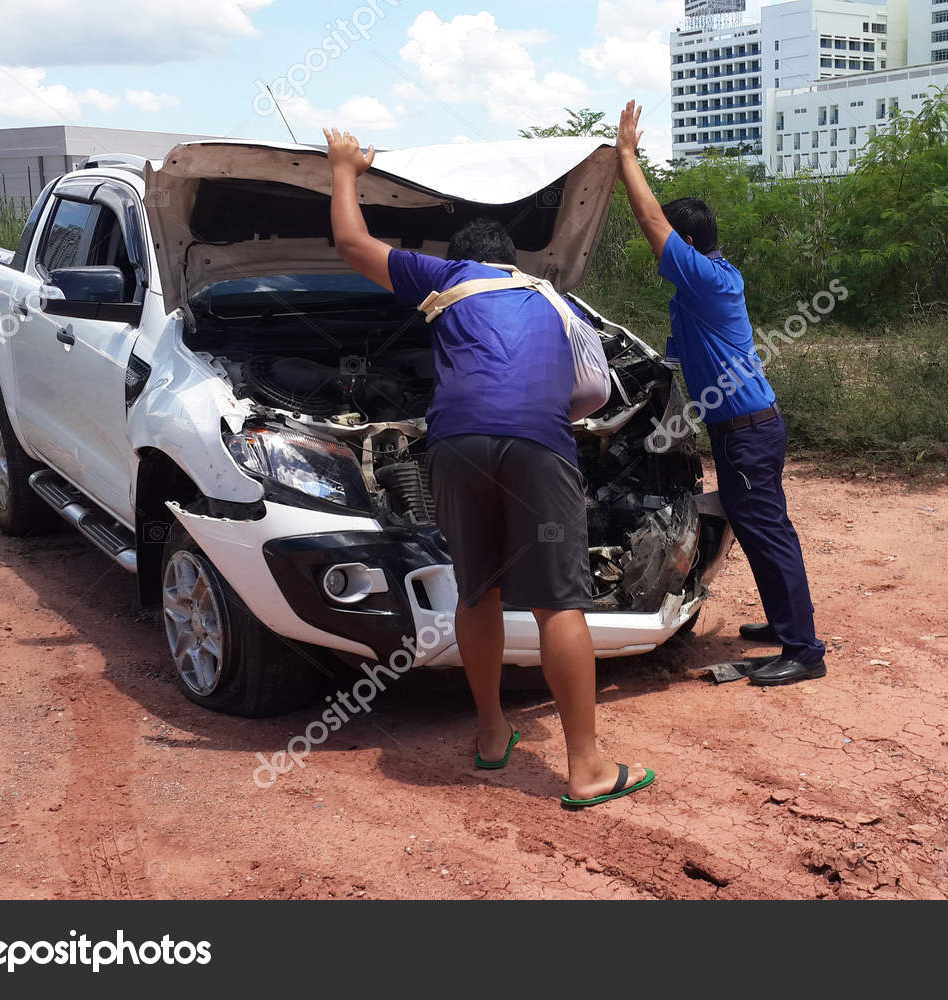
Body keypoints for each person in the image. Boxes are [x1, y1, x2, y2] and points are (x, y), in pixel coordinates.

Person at [322, 127, 653, 808]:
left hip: (455, 441)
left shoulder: (443, 278)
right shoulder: (553, 300)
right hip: (538, 440)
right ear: (512, 262)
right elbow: (592, 394)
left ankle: (493, 733)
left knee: (479, 592)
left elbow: (353, 246)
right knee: (559, 602)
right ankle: (586, 768)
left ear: (458, 260)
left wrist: (344, 168)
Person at [613, 102, 827, 687]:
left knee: (767, 528)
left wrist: (628, 158)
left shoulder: (706, 279)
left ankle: (804, 650)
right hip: (744, 429)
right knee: (759, 526)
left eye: (668, 244)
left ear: (686, 242)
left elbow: (653, 224)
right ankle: (788, 624)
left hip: (748, 431)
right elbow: (670, 360)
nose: (658, 252)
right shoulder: (695, 294)